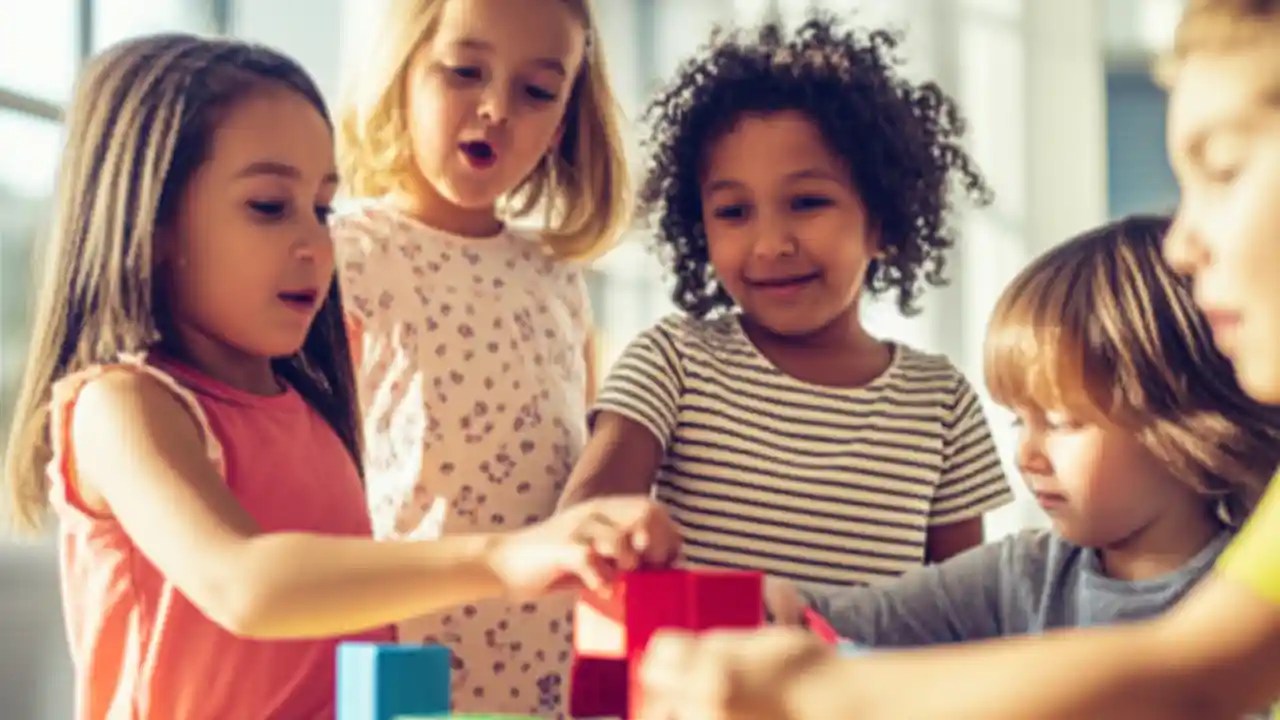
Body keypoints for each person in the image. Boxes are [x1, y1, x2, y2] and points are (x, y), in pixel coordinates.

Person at [0, 34, 676, 720]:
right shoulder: (123, 407)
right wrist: (504, 557)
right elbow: (248, 584)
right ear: (155, 221)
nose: (317, 242)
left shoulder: (309, 407)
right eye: (269, 205)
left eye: (322, 208)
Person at [636, 1, 1280, 718]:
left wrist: (816, 690)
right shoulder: (1029, 574)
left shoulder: (933, 400)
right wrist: (764, 612)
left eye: (1223, 171)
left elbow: (1190, 681)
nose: (1181, 245)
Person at [559, 14, 1011, 589]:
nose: (771, 245)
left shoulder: (942, 404)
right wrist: (617, 537)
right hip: (699, 678)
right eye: (733, 212)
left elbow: (963, 611)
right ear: (700, 229)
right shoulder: (673, 362)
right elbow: (578, 530)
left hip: (861, 681)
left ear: (884, 222)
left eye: (807, 202)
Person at [331, 0, 630, 713]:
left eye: (536, 91)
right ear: (402, 72)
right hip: (401, 667)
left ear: (561, 123)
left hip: (551, 667)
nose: (497, 107)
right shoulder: (347, 257)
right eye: (466, 71)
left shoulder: (558, 281)